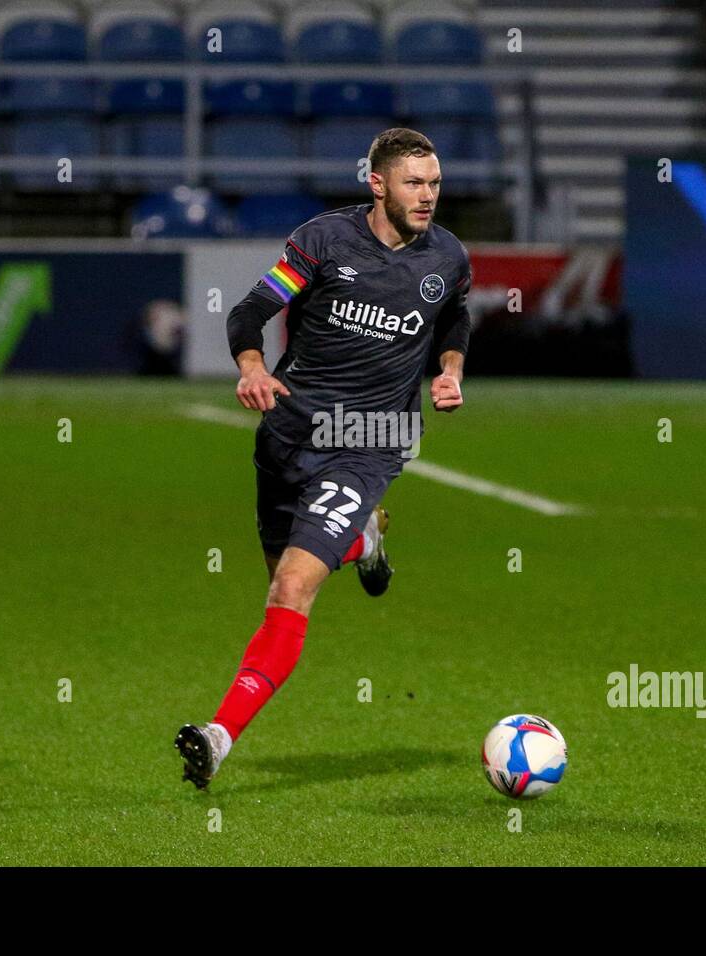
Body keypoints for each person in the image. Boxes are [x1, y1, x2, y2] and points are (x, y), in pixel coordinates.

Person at [175, 128, 472, 788]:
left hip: (370, 443)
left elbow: (453, 316)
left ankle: (219, 735)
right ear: (377, 183)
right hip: (290, 434)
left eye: (435, 184)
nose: (428, 197)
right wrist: (251, 365)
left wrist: (449, 370)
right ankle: (362, 542)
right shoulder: (323, 244)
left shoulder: (446, 256)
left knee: (293, 589)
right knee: (279, 582)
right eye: (414, 184)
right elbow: (251, 310)